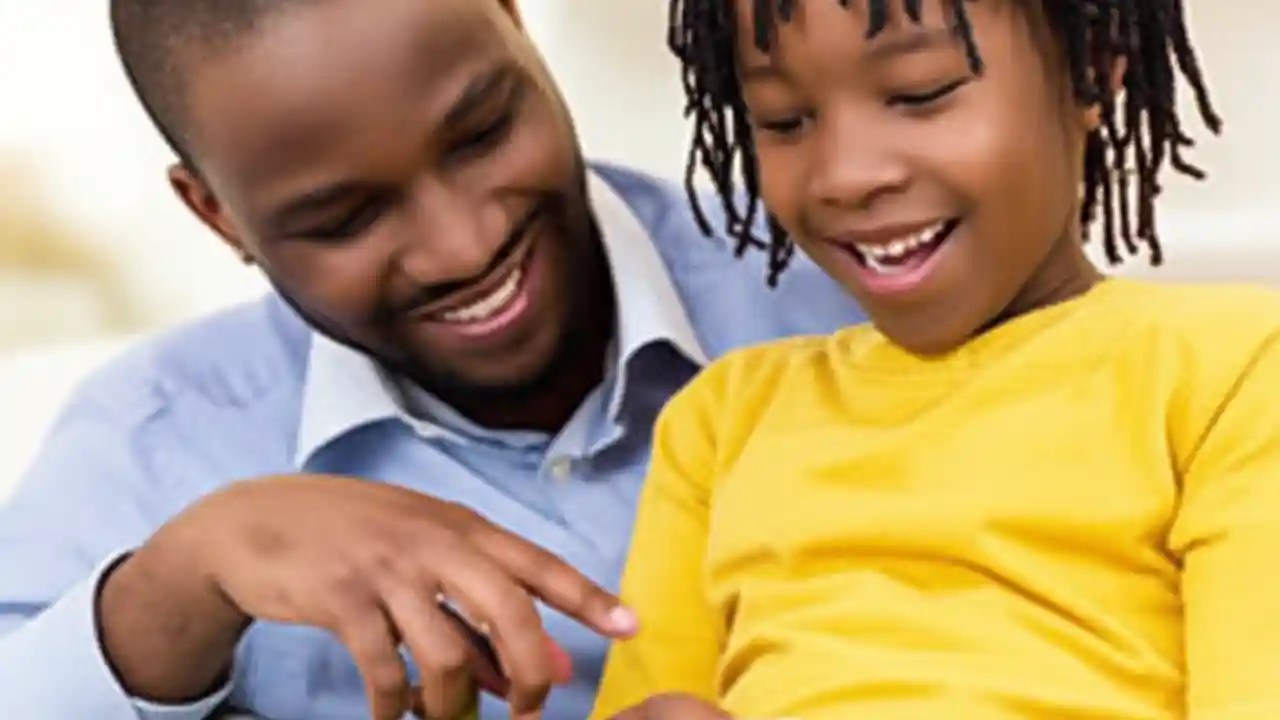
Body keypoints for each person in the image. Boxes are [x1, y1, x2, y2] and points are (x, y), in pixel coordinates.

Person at [0, 1, 867, 719]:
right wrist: (181, 582)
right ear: (217, 217)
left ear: (514, 21)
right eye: (345, 219)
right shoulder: (154, 446)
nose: (462, 246)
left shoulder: (847, 275)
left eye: (482, 133)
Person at [589, 0, 1280, 718]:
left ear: (1092, 70)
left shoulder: (1233, 369)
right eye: (784, 119)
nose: (845, 176)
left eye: (919, 94)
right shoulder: (720, 421)